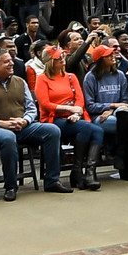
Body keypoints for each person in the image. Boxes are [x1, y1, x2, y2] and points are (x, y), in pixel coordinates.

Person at [0, 47, 63, 195]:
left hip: (23, 126)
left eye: (11, 60)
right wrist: (0, 123)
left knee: (52, 130)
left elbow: (31, 108)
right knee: (8, 138)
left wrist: (25, 120)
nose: (11, 63)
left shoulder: (20, 82)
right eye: (6, 62)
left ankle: (52, 180)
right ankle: (10, 186)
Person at [33, 44, 102, 191]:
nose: (63, 59)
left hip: (73, 118)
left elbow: (80, 99)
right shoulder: (42, 79)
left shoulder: (71, 77)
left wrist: (76, 113)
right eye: (58, 58)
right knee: (86, 128)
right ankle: (77, 172)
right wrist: (68, 109)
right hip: (53, 120)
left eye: (63, 56)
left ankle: (87, 172)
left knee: (97, 130)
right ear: (50, 61)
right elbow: (45, 104)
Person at [81, 44, 128, 180]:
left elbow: (125, 101)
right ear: (100, 59)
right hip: (98, 117)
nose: (113, 56)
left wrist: (111, 109)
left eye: (113, 54)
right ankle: (126, 164)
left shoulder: (120, 75)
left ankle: (121, 157)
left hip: (117, 113)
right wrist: (112, 106)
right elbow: (90, 106)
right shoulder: (90, 77)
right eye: (109, 55)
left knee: (126, 119)